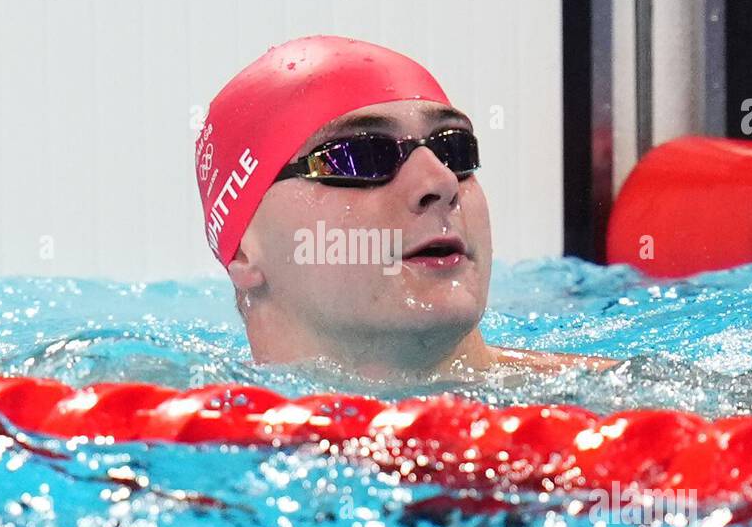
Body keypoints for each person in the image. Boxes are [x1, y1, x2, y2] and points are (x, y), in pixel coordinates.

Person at [194, 35, 619, 385]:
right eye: (359, 156)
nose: (441, 183)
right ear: (245, 252)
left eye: (453, 148)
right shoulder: (166, 437)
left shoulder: (629, 401)